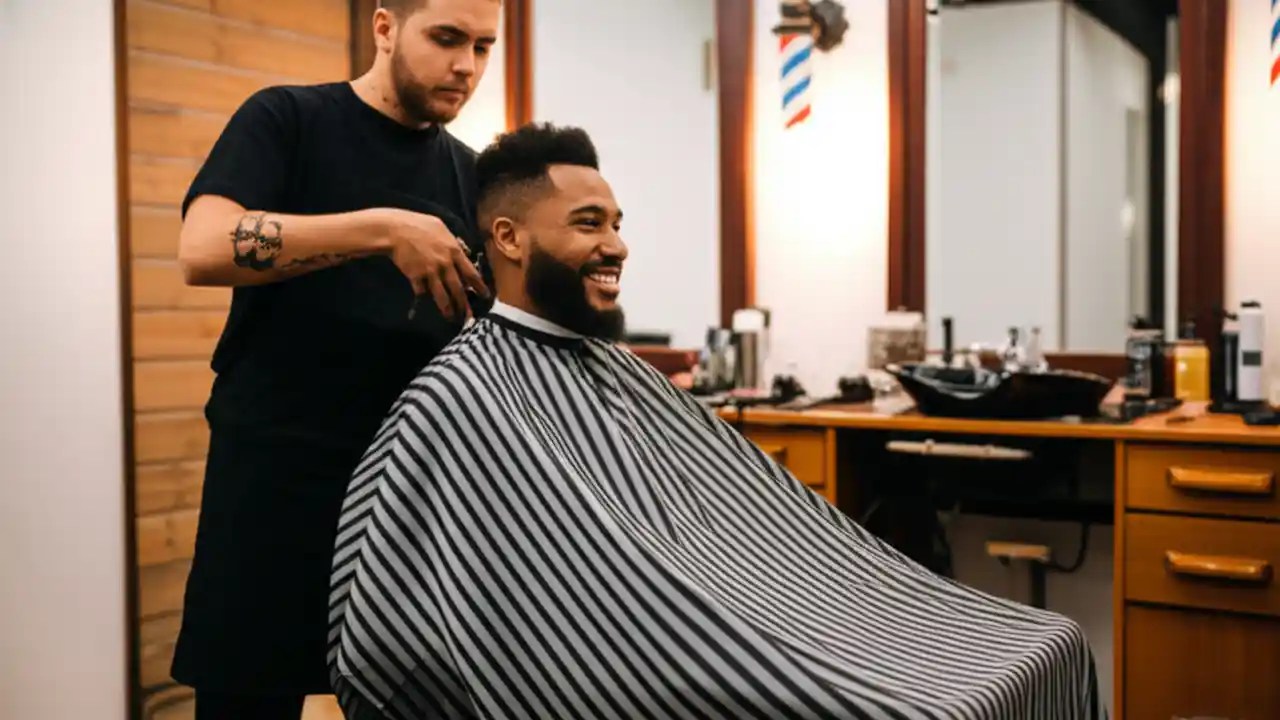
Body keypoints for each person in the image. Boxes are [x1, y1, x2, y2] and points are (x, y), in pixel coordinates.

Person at [326, 123, 1104, 720]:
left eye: (618, 222)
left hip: (722, 617)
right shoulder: (462, 393)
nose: (617, 245)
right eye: (589, 224)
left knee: (1047, 644)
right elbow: (389, 616)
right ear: (508, 237)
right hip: (647, 653)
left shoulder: (615, 370)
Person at [171, 0, 501, 716]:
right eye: (446, 39)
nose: (466, 66)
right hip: (274, 486)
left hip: (410, 498)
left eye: (482, 46)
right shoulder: (287, 120)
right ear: (384, 28)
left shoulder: (475, 178)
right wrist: (382, 230)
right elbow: (201, 248)